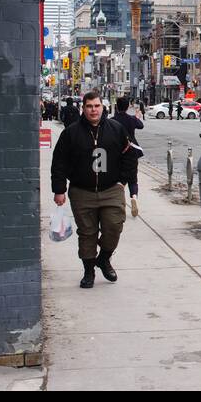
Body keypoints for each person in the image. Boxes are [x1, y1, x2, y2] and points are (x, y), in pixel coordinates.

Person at [51, 91, 136, 288]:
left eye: (97, 106)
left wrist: (123, 181)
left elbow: (130, 155)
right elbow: (59, 163)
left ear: (102, 107)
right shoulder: (71, 133)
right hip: (82, 191)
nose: (93, 110)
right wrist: (59, 189)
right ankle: (88, 270)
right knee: (87, 232)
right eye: (89, 106)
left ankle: (104, 259)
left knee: (114, 226)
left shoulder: (116, 129)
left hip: (111, 189)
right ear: (84, 109)